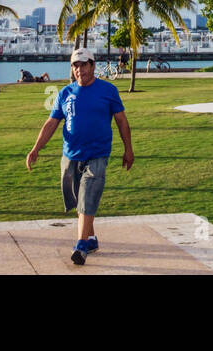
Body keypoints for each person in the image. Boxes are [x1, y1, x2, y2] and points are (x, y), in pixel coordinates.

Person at [26, 48, 134, 266]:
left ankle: (81, 246)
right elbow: (51, 123)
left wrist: (128, 149)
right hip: (70, 155)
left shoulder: (108, 90)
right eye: (75, 65)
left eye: (84, 64)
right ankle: (91, 239)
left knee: (87, 197)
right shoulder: (65, 93)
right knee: (78, 201)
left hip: (98, 154)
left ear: (93, 66)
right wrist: (35, 149)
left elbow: (121, 121)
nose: (79, 69)